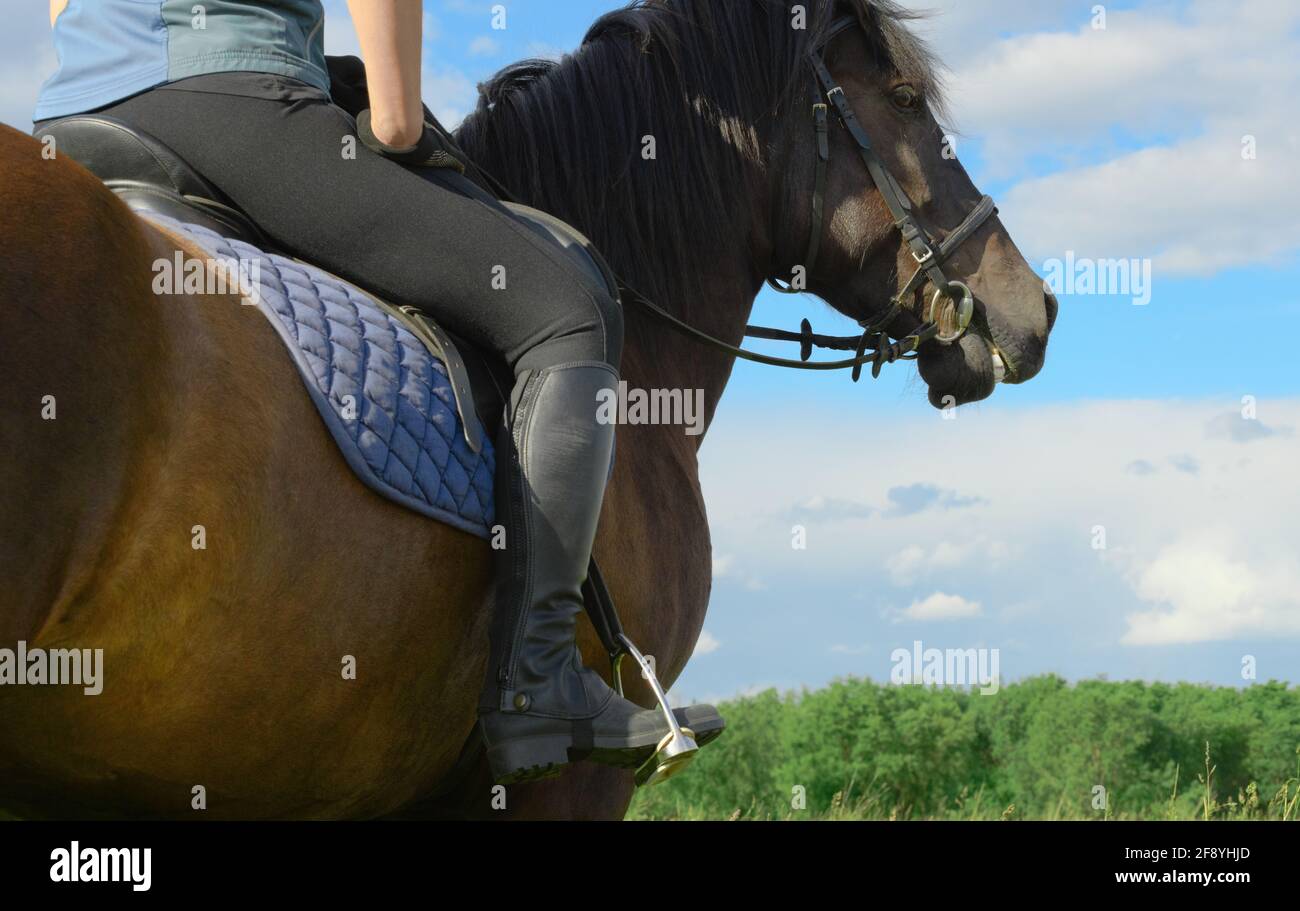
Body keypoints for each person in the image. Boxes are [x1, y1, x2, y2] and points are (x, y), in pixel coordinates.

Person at [34, 0, 721, 784]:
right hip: (231, 106)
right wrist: (395, 119)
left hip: (74, 113)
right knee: (567, 308)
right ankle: (540, 680)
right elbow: (392, 121)